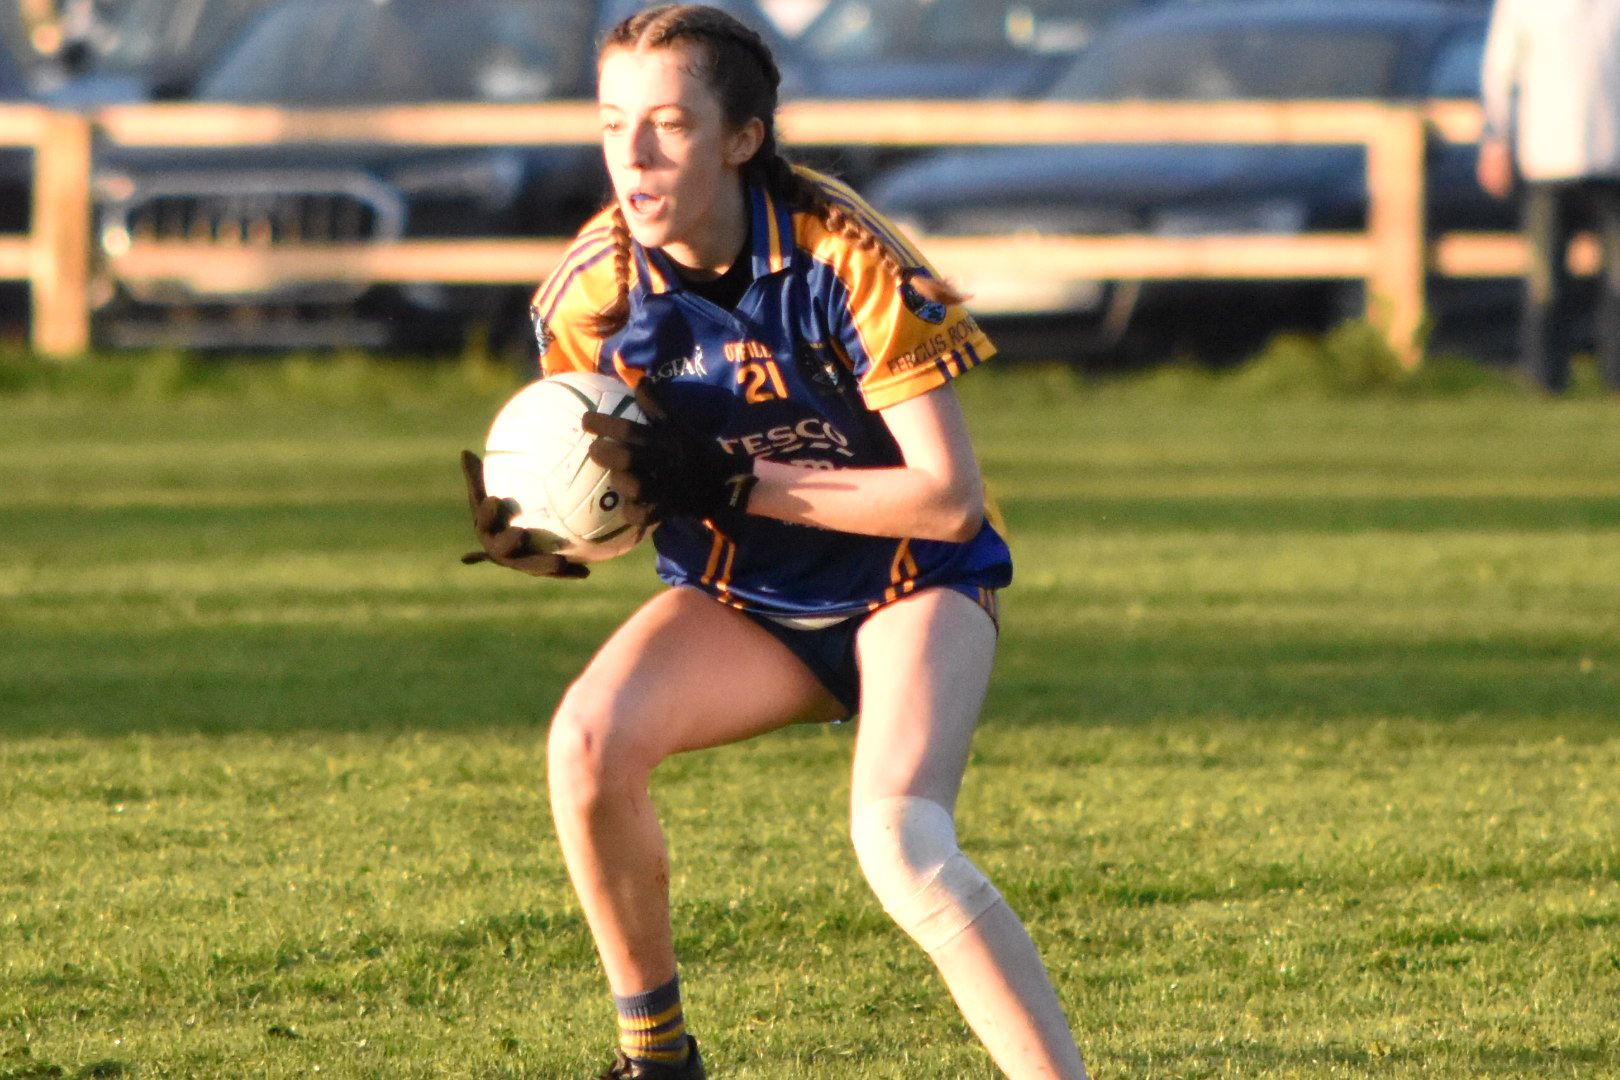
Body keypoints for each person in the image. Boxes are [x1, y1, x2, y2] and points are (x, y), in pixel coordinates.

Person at [461, 5, 1089, 1077]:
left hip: (911, 588)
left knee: (901, 842)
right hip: (744, 601)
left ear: (742, 138)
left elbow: (948, 501)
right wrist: (545, 530)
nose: (634, 154)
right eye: (612, 124)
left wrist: (738, 482)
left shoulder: (842, 253)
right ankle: (657, 1057)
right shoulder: (595, 291)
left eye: (670, 124)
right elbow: (615, 482)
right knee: (587, 745)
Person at [1478, 0, 1620, 394]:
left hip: (1611, 160)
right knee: (1545, 282)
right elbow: (1498, 71)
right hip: (1546, 161)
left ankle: (1615, 379)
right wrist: (1496, 137)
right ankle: (1545, 380)